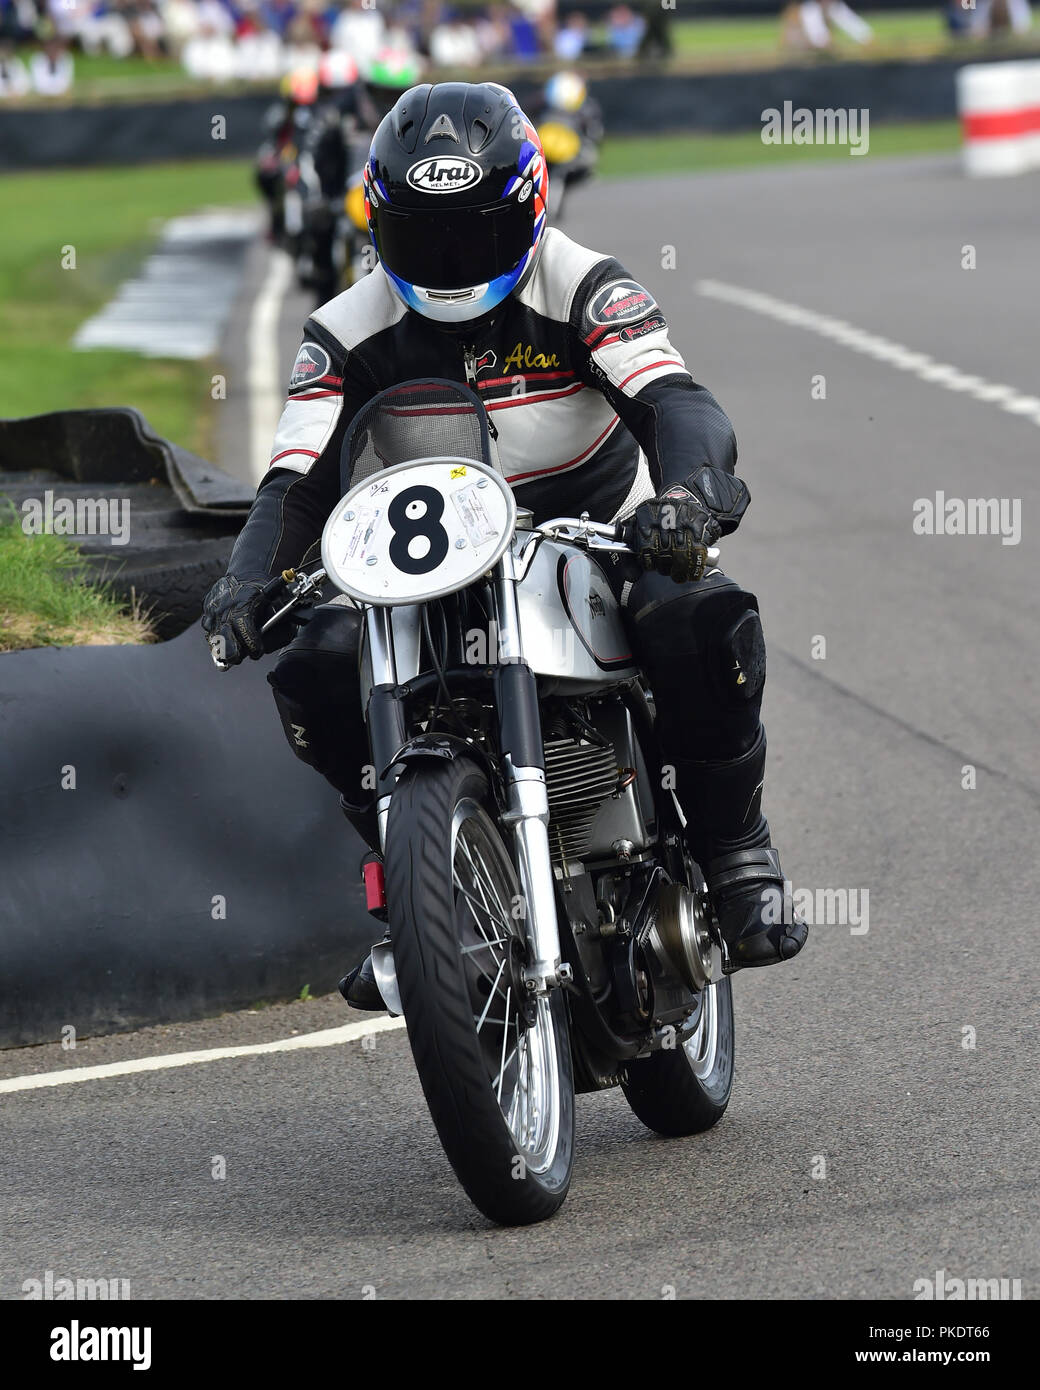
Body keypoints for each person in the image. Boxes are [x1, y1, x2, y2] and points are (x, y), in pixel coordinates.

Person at [202, 81, 808, 1006]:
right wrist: (246, 582)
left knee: (700, 617)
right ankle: (419, 894)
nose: (448, 259)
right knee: (316, 665)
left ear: (527, 208)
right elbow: (295, 480)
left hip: (600, 527)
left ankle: (736, 848)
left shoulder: (586, 282)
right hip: (430, 561)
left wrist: (686, 497)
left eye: (472, 231)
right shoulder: (342, 331)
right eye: (424, 235)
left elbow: (679, 400)